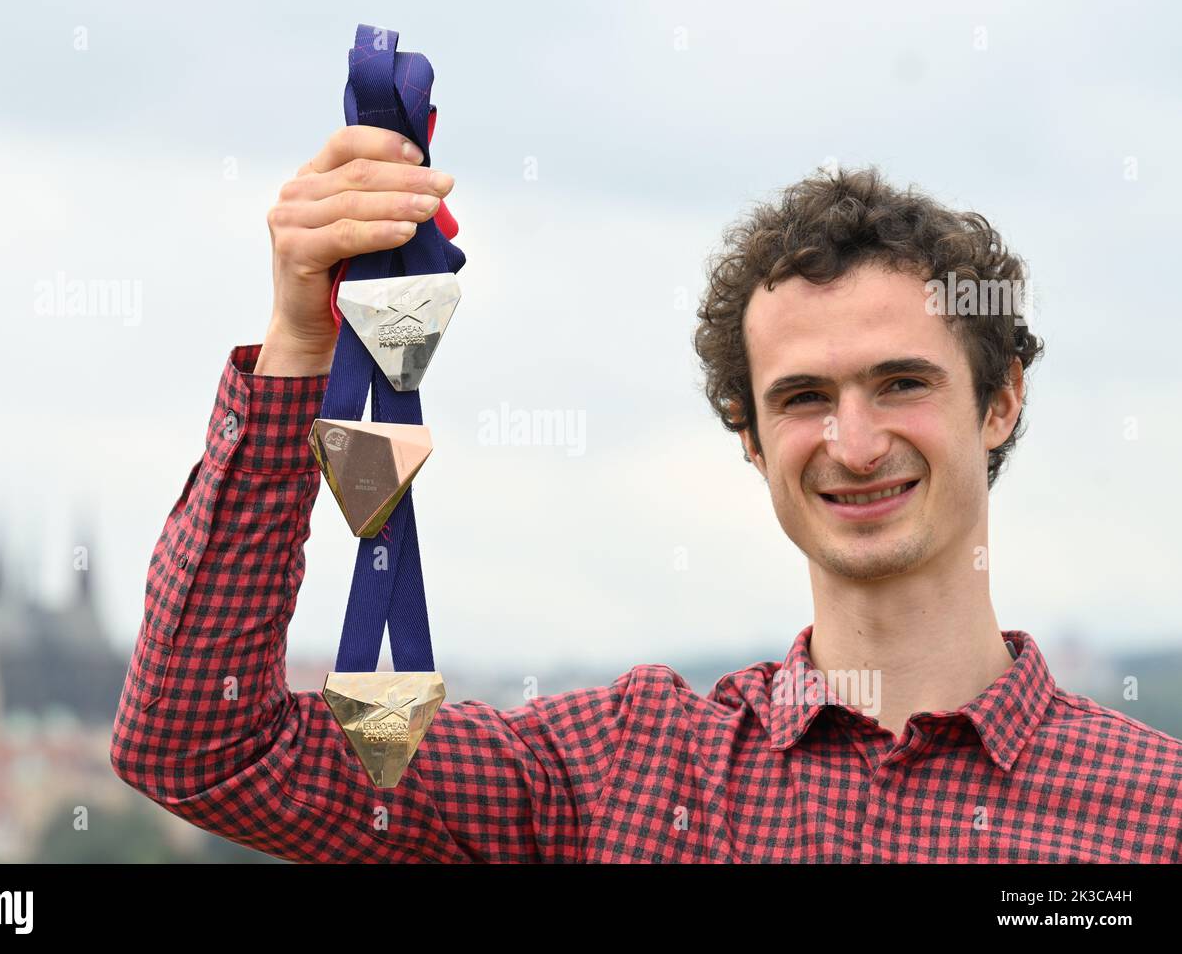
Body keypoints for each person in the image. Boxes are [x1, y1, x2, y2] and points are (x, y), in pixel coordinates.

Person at [110, 125, 1182, 863]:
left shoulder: (1153, 809)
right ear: (750, 439)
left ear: (998, 402)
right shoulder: (612, 771)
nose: (854, 442)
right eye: (802, 396)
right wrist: (302, 341)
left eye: (900, 382)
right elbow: (203, 744)